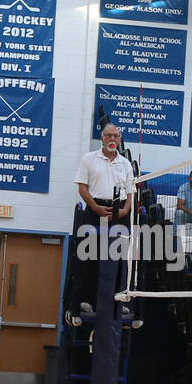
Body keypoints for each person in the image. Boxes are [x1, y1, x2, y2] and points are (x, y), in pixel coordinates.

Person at [72, 124, 134, 316]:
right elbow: (82, 188)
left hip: (119, 211)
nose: (112, 139)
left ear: (120, 139)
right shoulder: (88, 159)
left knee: (118, 257)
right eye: (109, 135)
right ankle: (87, 301)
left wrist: (125, 210)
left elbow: (131, 191)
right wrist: (96, 208)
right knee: (90, 256)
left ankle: (118, 301)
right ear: (102, 138)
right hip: (95, 209)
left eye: (116, 135)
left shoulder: (125, 163)